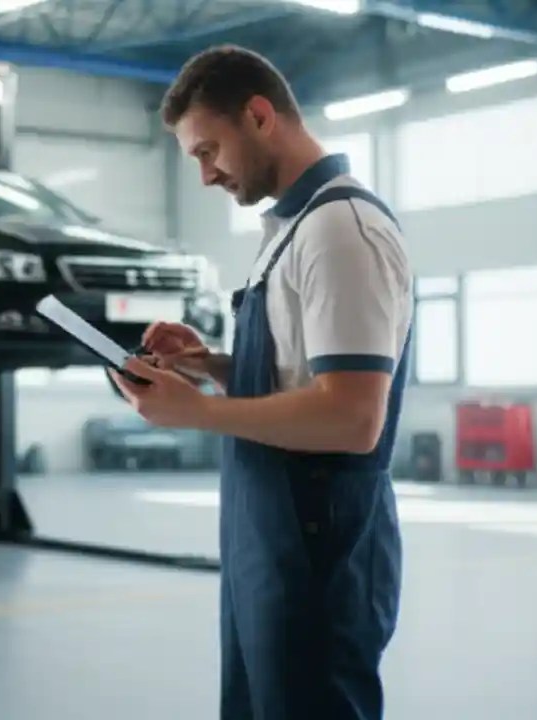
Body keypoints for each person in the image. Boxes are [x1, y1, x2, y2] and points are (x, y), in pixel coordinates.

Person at [108, 45, 413, 720]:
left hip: (319, 542)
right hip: (271, 537)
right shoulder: (292, 228)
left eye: (208, 150)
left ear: (258, 115)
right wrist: (214, 365)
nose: (206, 174)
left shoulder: (341, 231)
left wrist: (197, 413)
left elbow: (353, 417)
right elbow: (306, 368)